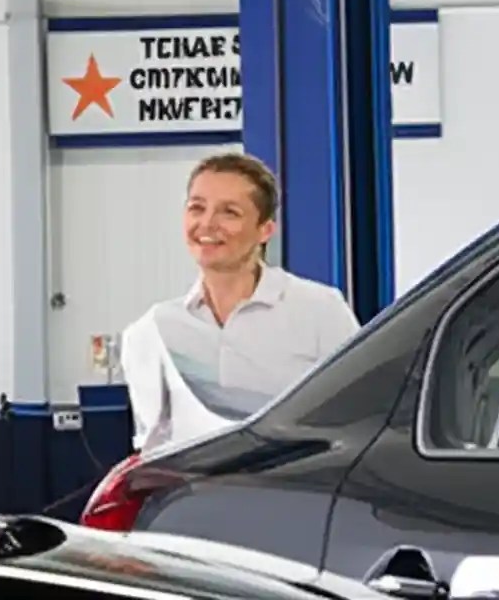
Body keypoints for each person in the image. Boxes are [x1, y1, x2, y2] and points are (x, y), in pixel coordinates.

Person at [120, 152, 362, 452]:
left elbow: (358, 420)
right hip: (197, 497)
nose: (207, 224)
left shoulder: (321, 310)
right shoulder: (153, 329)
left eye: (229, 212)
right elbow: (152, 450)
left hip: (296, 494)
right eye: (197, 208)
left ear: (265, 230)